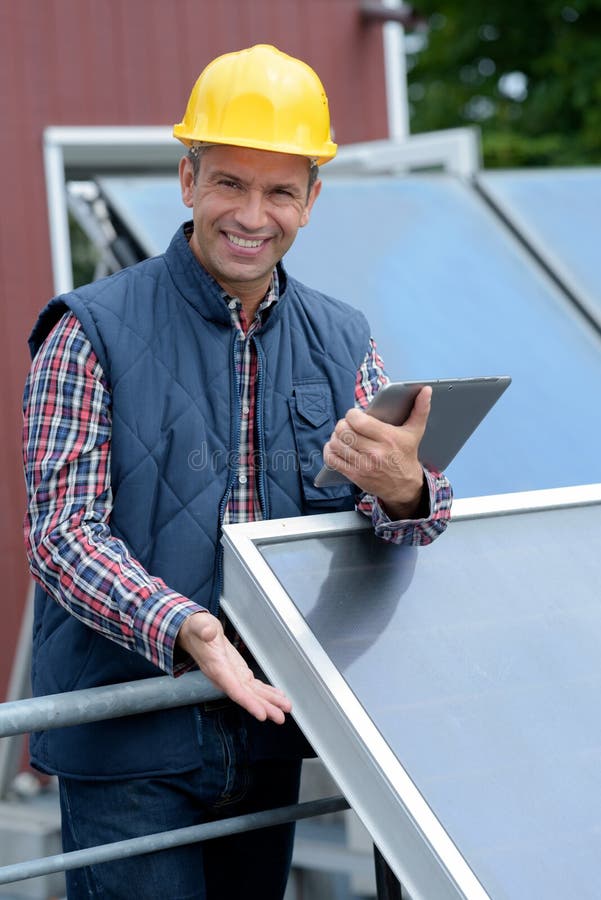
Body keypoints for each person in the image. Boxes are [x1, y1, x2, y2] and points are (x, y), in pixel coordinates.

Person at [22, 44, 452, 900]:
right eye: (229, 183)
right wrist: (190, 629)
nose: (252, 214)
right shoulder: (89, 330)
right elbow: (61, 533)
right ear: (187, 181)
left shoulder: (342, 337)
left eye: (279, 190)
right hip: (128, 739)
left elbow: (404, 517)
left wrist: (406, 489)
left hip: (269, 735)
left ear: (311, 199)